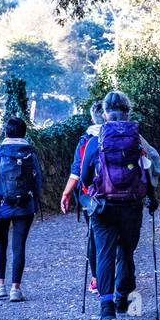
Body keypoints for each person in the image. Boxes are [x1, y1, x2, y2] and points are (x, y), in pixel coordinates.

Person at [79, 90, 160, 320]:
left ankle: (106, 309)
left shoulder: (96, 141)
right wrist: (152, 199)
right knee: (126, 251)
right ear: (127, 113)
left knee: (105, 253)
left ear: (104, 114)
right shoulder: (137, 140)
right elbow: (147, 172)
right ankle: (122, 298)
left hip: (104, 206)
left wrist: (95, 189)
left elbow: (85, 177)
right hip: (131, 205)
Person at [0, 116, 43, 302]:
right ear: (24, 133)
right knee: (19, 247)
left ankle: (0, 286)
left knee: (0, 244)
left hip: (0, 206)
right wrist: (36, 203)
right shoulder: (31, 154)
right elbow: (38, 181)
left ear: (5, 132)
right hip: (25, 207)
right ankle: (16, 289)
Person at [60, 101, 106, 294]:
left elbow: (77, 171)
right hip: (120, 194)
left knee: (94, 235)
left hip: (91, 197)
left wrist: (67, 193)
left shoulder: (86, 139)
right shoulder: (124, 135)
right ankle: (118, 279)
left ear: (92, 117)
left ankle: (96, 279)